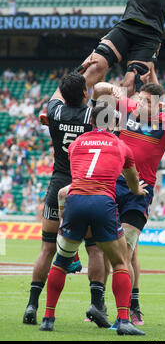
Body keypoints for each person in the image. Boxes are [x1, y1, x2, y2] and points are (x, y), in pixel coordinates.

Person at [92, 80, 165, 325]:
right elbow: (96, 89)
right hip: (113, 186)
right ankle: (102, 306)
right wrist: (113, 88)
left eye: (147, 101)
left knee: (124, 250)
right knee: (105, 251)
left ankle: (129, 310)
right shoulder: (127, 108)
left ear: (157, 105)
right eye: (139, 99)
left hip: (140, 192)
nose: (140, 104)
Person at [39, 103, 147, 335]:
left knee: (60, 261)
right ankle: (124, 320)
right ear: (113, 123)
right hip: (102, 203)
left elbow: (80, 170)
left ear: (92, 121)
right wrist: (138, 191)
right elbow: (131, 180)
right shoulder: (121, 146)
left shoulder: (76, 144)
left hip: (75, 201)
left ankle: (48, 318)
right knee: (119, 262)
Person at [23, 67, 108, 327]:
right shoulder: (92, 116)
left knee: (47, 248)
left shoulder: (54, 111)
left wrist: (77, 71)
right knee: (94, 250)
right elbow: (107, 97)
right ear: (85, 92)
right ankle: (96, 304)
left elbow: (56, 95)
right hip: (85, 188)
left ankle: (32, 305)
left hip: (57, 183)